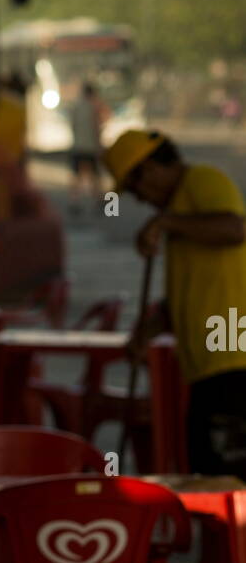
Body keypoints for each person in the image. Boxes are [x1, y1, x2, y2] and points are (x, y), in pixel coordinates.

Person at [104, 128, 246, 476]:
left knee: (228, 479)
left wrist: (167, 221)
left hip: (233, 355)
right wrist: (149, 330)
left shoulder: (202, 180)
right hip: (207, 365)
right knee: (207, 471)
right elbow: (192, 291)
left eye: (135, 188)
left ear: (150, 168)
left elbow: (235, 229)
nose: (140, 199)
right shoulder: (181, 213)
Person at [68, 81, 105, 212]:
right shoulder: (94, 107)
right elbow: (97, 128)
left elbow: (72, 125)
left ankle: (74, 201)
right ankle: (100, 200)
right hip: (90, 147)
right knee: (95, 175)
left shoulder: (76, 106)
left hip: (78, 146)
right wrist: (99, 146)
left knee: (77, 175)